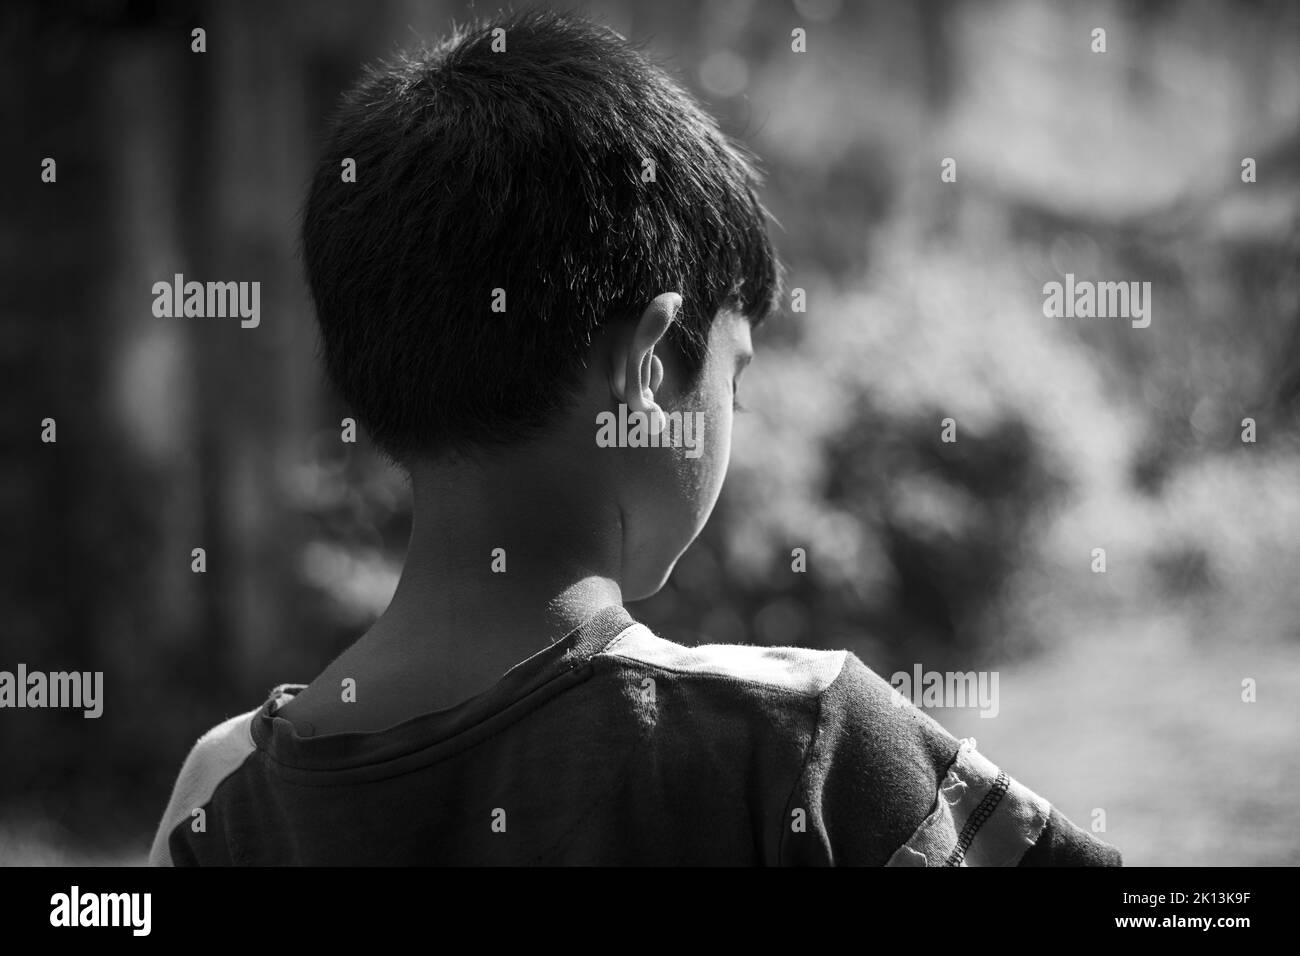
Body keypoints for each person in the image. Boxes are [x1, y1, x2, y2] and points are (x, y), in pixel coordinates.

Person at [150, 9, 1120, 866]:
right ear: (646, 367)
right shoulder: (808, 741)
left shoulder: (219, 795)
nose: (732, 419)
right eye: (732, 378)